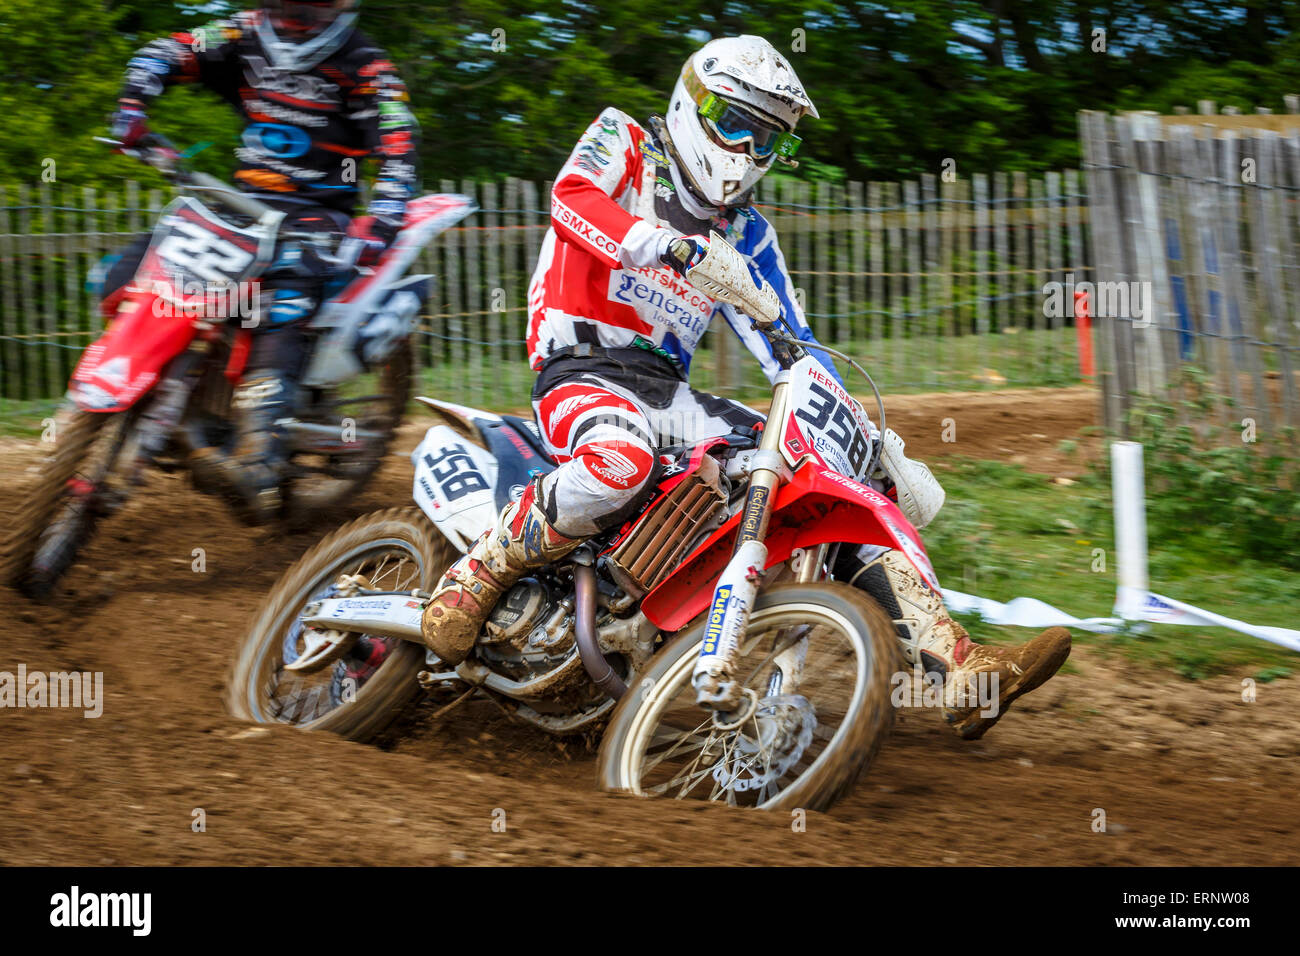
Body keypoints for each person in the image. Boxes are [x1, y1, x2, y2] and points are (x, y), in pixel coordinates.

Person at [421, 35, 1069, 738]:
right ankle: (482, 570)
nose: (750, 151)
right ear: (692, 105)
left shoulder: (748, 235)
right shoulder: (626, 141)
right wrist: (660, 243)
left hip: (664, 393)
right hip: (581, 366)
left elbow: (792, 346)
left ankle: (955, 665)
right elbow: (572, 201)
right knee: (620, 463)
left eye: (769, 141)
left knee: (813, 472)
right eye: (736, 125)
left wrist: (862, 435)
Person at [101, 1, 419, 523]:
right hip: (239, 201)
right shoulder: (242, 30)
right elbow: (169, 50)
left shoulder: (369, 68)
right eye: (283, 5)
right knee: (141, 266)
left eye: (306, 8)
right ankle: (158, 383)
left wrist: (382, 220)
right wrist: (133, 103)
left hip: (316, 215)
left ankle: (259, 453)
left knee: (283, 297)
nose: (293, 19)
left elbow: (399, 147)